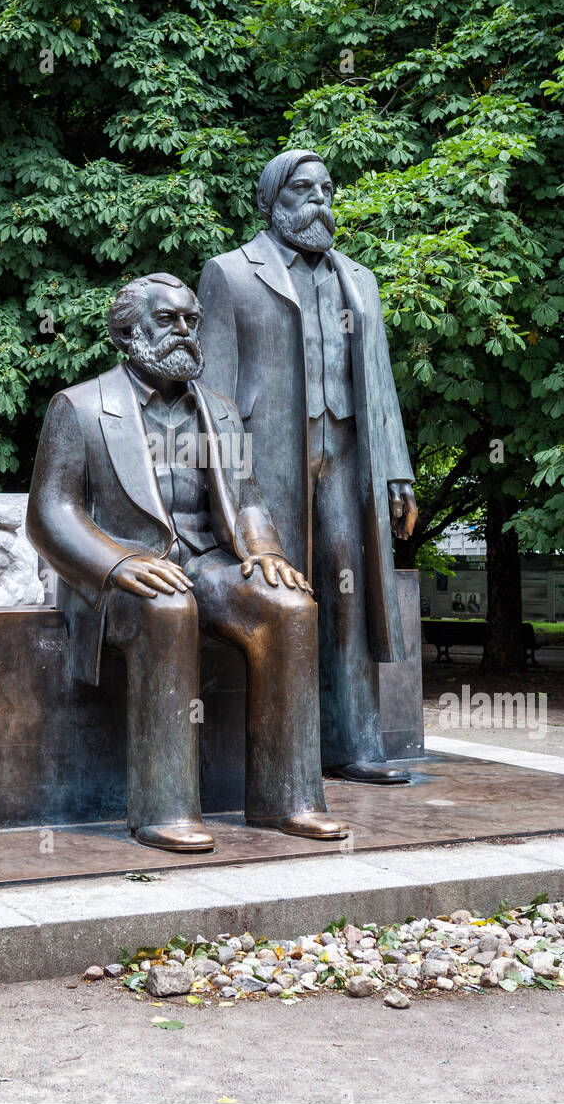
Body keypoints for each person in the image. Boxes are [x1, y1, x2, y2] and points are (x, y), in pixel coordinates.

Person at [27, 273, 346, 852]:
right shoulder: (79, 406)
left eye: (191, 321)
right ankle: (164, 809)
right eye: (168, 320)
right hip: (123, 575)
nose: (184, 331)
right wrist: (118, 563)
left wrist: (267, 553)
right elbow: (52, 515)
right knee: (168, 605)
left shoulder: (221, 413)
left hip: (211, 565)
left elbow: (247, 503)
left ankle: (288, 800)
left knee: (290, 606)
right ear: (127, 332)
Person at [198, 151, 418, 784]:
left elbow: (379, 387)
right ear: (271, 202)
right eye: (302, 189)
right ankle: (285, 751)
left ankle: (355, 743)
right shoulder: (231, 274)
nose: (319, 199)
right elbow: (211, 392)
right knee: (283, 593)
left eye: (327, 188)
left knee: (349, 596)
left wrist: (397, 471)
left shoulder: (360, 280)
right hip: (269, 463)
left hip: (349, 459)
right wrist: (226, 488)